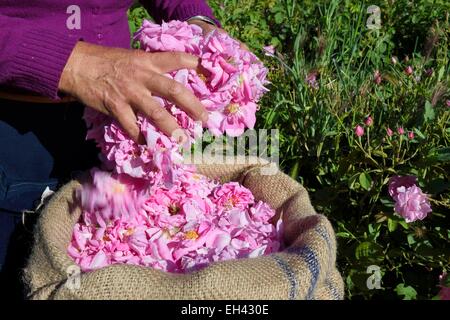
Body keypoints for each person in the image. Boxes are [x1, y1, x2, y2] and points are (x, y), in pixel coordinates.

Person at [0, 0, 236, 297]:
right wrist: (74, 65)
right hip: (17, 126)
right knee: (22, 271)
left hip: (119, 118)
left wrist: (195, 21)